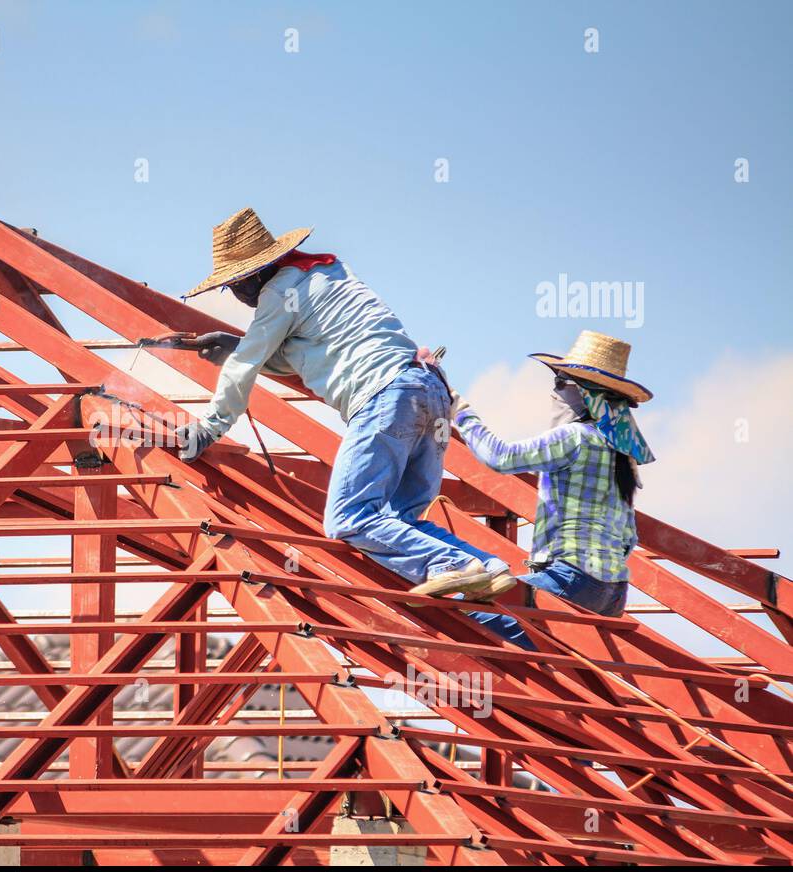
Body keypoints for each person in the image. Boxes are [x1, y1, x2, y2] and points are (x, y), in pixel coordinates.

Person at [175, 207, 513, 599]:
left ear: (250, 277)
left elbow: (244, 366)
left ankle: (455, 564)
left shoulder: (277, 291)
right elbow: (312, 353)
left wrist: (208, 427)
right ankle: (488, 567)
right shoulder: (328, 273)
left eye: (232, 285)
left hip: (385, 395)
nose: (234, 295)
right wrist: (241, 347)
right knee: (397, 521)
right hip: (429, 390)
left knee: (348, 517)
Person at [450, 331, 653, 648]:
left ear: (583, 394)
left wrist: (461, 412)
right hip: (612, 594)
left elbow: (501, 457)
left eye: (560, 383)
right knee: (539, 652)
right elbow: (629, 536)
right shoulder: (622, 453)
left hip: (570, 580)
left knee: (457, 613)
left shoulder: (574, 437)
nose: (554, 392)